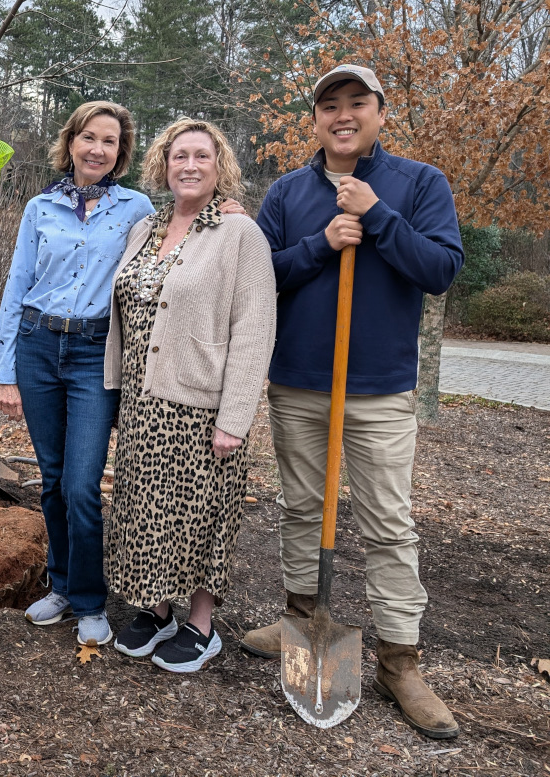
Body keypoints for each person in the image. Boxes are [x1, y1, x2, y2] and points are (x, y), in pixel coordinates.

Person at [244, 65, 463, 738]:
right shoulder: (287, 191)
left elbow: (440, 268)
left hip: (379, 390)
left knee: (389, 524)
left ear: (379, 113)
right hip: (298, 382)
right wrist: (321, 243)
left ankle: (399, 660)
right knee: (302, 508)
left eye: (356, 103)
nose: (343, 114)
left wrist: (376, 214)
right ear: (315, 120)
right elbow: (258, 274)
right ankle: (302, 623)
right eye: (329, 105)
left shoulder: (420, 184)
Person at [103, 118, 276, 672]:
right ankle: (158, 611)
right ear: (163, 164)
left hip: (202, 406)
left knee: (201, 516)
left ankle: (201, 623)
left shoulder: (240, 235)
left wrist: (236, 418)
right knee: (145, 512)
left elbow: (255, 329)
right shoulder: (146, 230)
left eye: (202, 155)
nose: (190, 165)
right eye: (180, 155)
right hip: (141, 402)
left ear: (219, 165)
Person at [0, 102, 152, 647]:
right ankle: (61, 587)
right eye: (89, 137)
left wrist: (223, 209)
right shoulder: (40, 207)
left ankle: (89, 600)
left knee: (84, 485)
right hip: (38, 348)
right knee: (55, 480)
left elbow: (171, 248)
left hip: (93, 353)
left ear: (120, 153)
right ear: (72, 142)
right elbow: (16, 289)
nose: (97, 149)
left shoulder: (137, 210)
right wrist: (5, 370)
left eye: (109, 141)